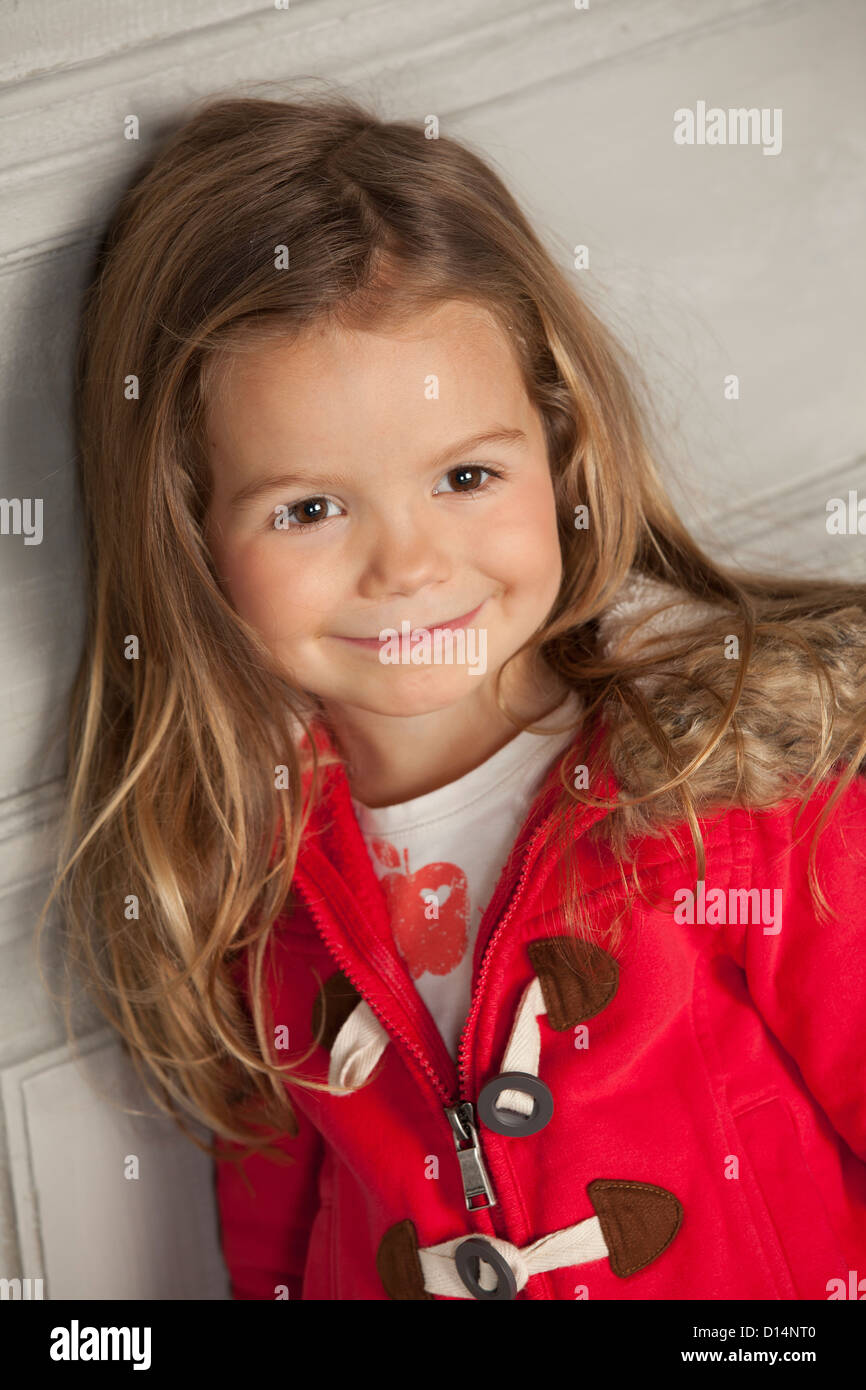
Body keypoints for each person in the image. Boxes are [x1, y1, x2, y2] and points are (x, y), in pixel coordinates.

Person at [42, 90, 866, 1301]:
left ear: (559, 449)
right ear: (188, 533)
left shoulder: (739, 797)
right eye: (308, 508)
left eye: (465, 474)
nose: (408, 564)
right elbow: (275, 1238)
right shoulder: (250, 877)